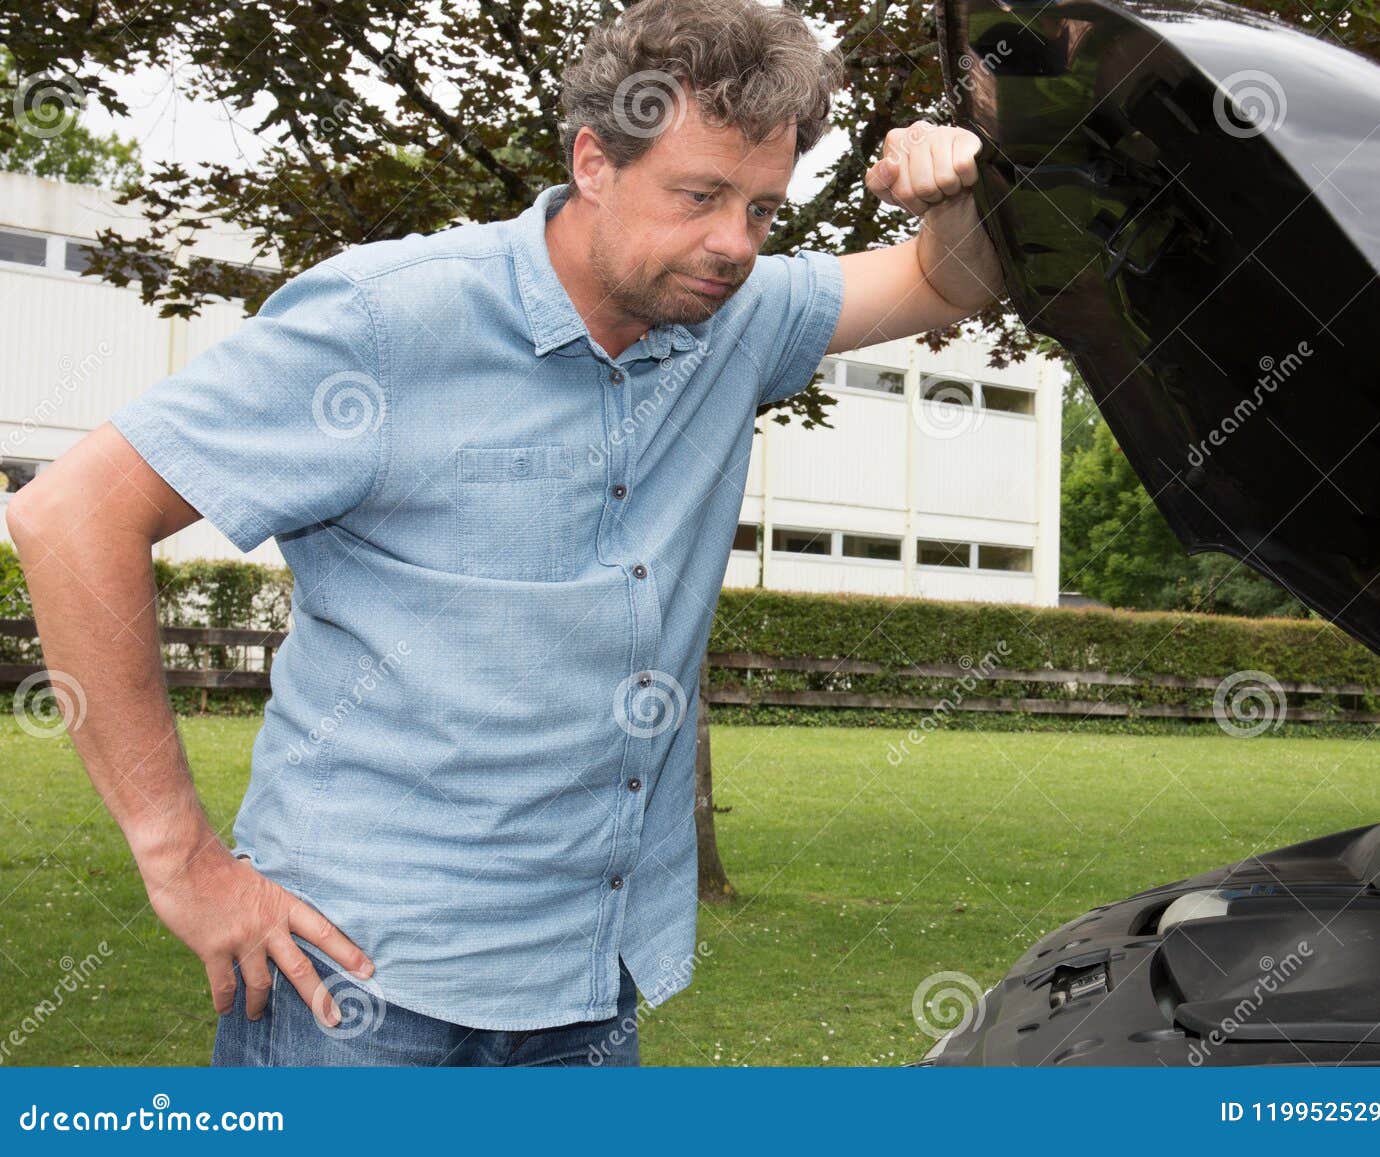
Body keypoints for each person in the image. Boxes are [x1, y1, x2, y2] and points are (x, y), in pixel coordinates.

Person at [6, 0, 1005, 1066]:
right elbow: (70, 514)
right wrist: (182, 860)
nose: (732, 244)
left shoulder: (733, 316)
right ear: (592, 159)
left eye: (762, 210)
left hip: (586, 983)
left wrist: (960, 186)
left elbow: (955, 277)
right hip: (356, 982)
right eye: (699, 195)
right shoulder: (388, 321)